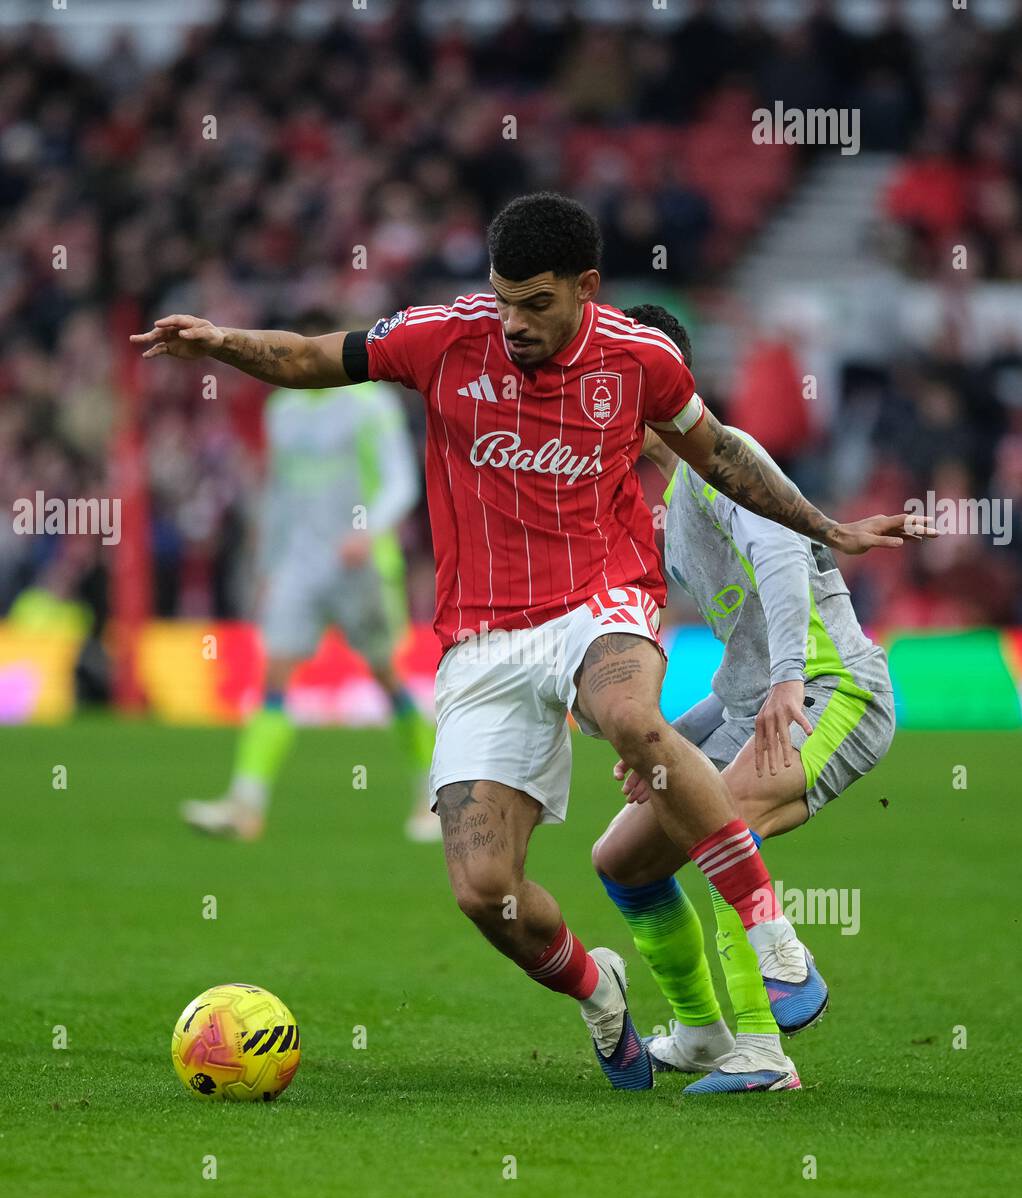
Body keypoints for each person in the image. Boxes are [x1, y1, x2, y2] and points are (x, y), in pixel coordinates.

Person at [132, 193, 927, 1093]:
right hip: (481, 639)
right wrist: (223, 342)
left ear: (586, 288)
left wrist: (826, 525)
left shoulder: (641, 360)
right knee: (484, 890)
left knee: (631, 714)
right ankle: (605, 997)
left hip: (601, 601)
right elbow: (316, 355)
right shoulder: (442, 337)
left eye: (536, 303)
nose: (512, 323)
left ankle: (772, 946)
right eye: (503, 298)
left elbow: (729, 460)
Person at [592, 305, 896, 1093]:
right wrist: (663, 740)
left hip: (832, 691)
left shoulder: (729, 462)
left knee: (723, 827)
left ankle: (763, 1054)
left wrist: (791, 675)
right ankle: (700, 1032)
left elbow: (786, 555)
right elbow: (739, 664)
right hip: (753, 704)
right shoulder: (669, 507)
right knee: (622, 862)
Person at [180, 309, 437, 843]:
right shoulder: (284, 407)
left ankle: (433, 795)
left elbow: (400, 480)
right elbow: (279, 491)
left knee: (387, 677)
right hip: (299, 562)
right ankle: (246, 805)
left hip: (360, 563)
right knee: (274, 676)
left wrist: (372, 530)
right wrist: (268, 565)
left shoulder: (370, 401)